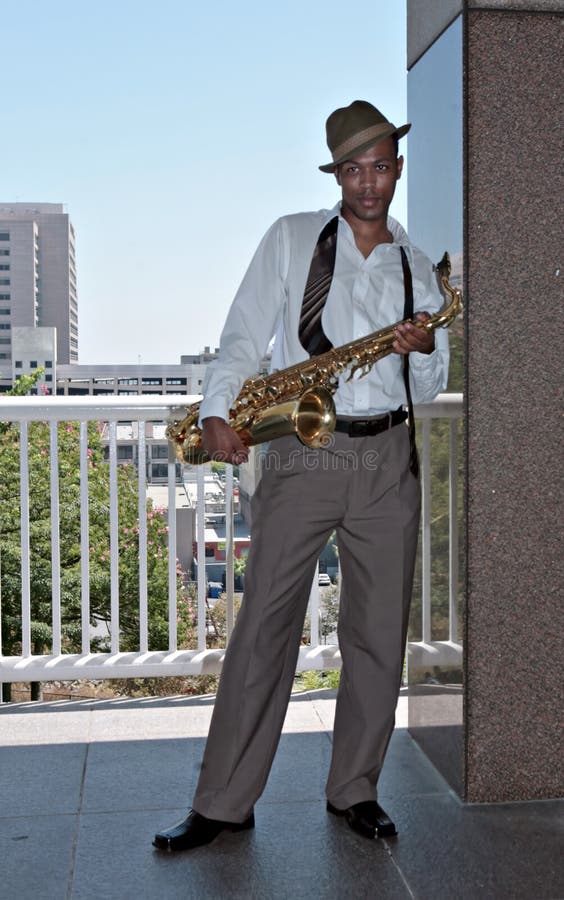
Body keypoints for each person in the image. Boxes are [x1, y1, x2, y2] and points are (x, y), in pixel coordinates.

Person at [154, 100, 449, 851]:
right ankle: (223, 801)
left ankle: (355, 789)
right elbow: (244, 335)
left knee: (380, 634)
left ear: (397, 168)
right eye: (353, 169)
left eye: (380, 166)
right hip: (302, 452)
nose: (368, 183)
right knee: (264, 628)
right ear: (337, 175)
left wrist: (420, 351)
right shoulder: (291, 240)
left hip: (388, 458)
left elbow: (436, 380)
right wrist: (221, 410)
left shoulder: (418, 266)